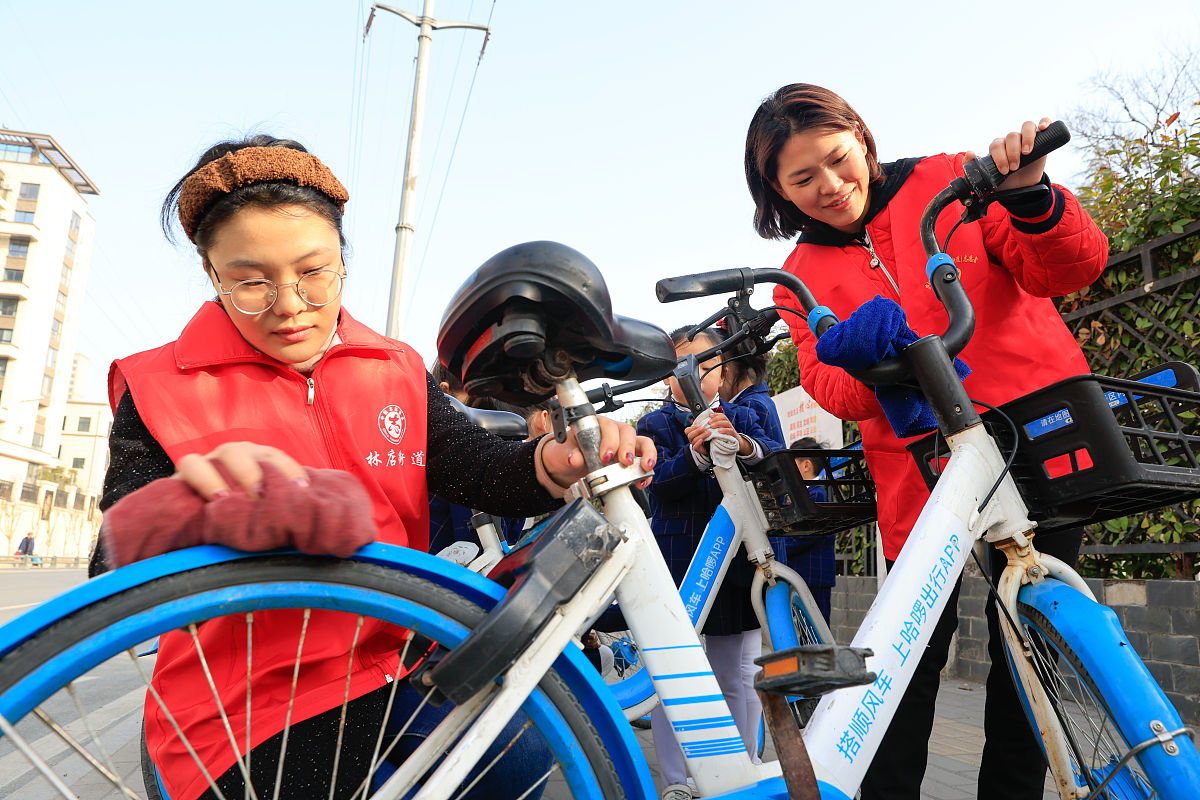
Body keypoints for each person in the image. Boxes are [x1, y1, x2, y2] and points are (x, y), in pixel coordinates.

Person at [93, 134, 656, 800]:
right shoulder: (158, 383)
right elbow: (112, 565)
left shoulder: (391, 365)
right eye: (250, 282)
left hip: (404, 670)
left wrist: (551, 461)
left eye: (313, 271)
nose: (288, 304)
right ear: (213, 276)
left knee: (537, 760)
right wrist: (200, 499)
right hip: (250, 708)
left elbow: (472, 468)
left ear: (342, 259)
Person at [744, 84, 1108, 800]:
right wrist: (872, 357)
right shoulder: (799, 278)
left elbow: (1068, 269)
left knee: (1029, 656)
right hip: (922, 473)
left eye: (837, 160)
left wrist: (1031, 197)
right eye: (802, 179)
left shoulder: (951, 182)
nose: (830, 186)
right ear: (777, 190)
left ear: (863, 140)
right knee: (905, 663)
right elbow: (826, 384)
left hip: (1040, 434)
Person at [636, 326, 772, 800]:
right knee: (673, 671)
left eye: (705, 362)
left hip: (735, 562)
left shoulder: (743, 414)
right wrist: (694, 455)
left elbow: (773, 455)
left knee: (735, 670)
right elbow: (656, 485)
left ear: (726, 367)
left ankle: (742, 768)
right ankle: (676, 781)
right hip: (682, 561)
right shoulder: (654, 424)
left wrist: (744, 444)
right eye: (680, 366)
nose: (692, 373)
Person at [787, 436, 836, 623]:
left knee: (817, 629)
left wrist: (778, 546)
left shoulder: (817, 494)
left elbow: (804, 535)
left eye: (792, 464)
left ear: (806, 465)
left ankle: (821, 654)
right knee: (807, 629)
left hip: (813, 576)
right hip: (803, 574)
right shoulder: (807, 493)